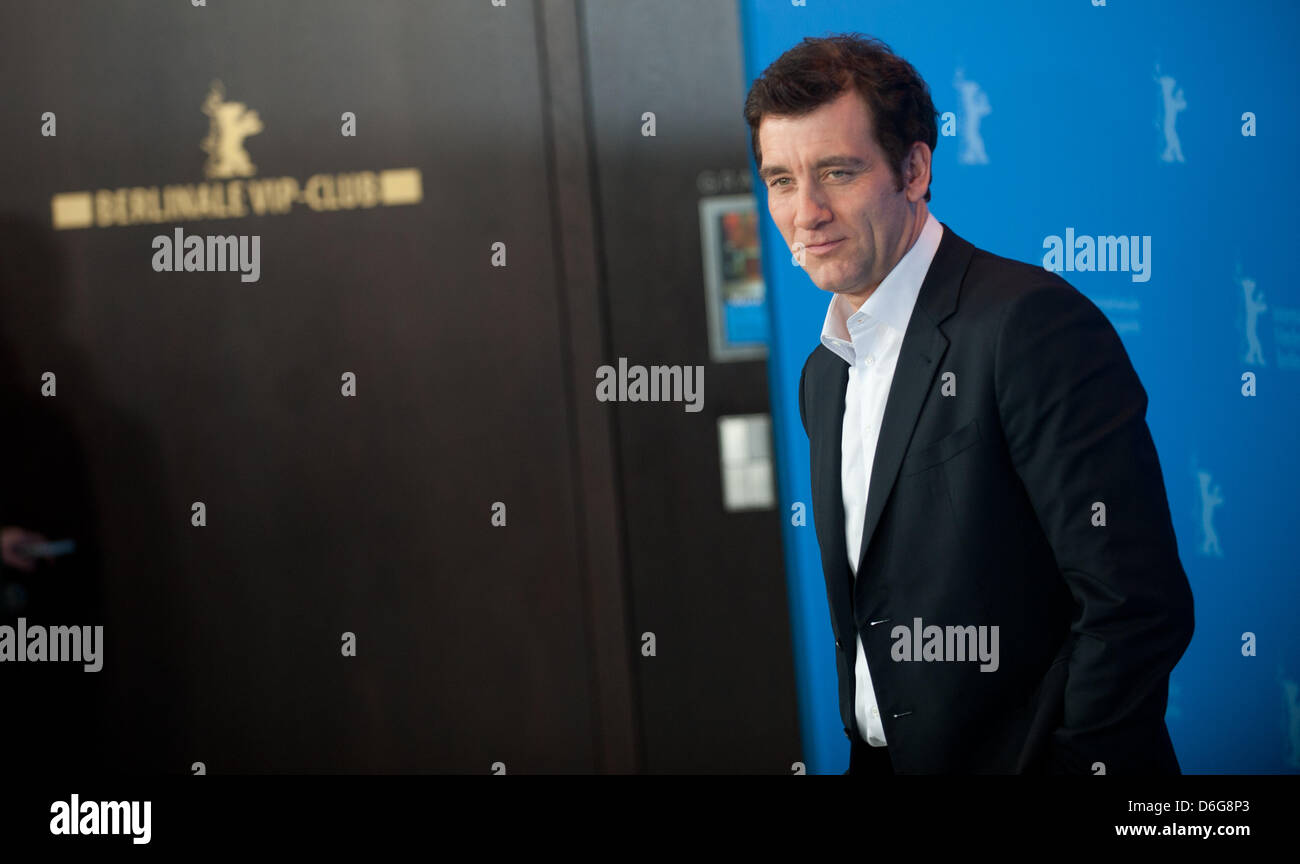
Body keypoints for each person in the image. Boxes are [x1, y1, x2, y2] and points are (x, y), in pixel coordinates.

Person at [744, 34, 1194, 774]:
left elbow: (1134, 604)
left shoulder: (1029, 325)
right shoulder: (825, 372)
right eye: (782, 180)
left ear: (915, 169)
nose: (807, 212)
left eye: (836, 172)